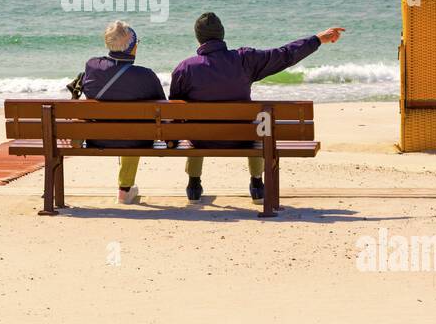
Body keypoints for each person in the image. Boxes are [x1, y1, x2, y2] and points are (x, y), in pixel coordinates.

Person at [170, 12, 344, 203]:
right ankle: (257, 184)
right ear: (222, 34)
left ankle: (194, 184)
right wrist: (317, 39)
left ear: (198, 37)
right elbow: (284, 55)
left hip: (201, 139)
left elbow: (176, 111)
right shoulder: (245, 59)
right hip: (240, 137)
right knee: (257, 127)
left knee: (194, 122)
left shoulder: (184, 68)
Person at [81, 20, 165, 203]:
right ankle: (125, 188)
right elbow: (164, 111)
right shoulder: (145, 76)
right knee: (133, 128)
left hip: (97, 137)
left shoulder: (92, 66)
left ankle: (125, 188)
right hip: (136, 140)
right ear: (132, 47)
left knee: (126, 126)